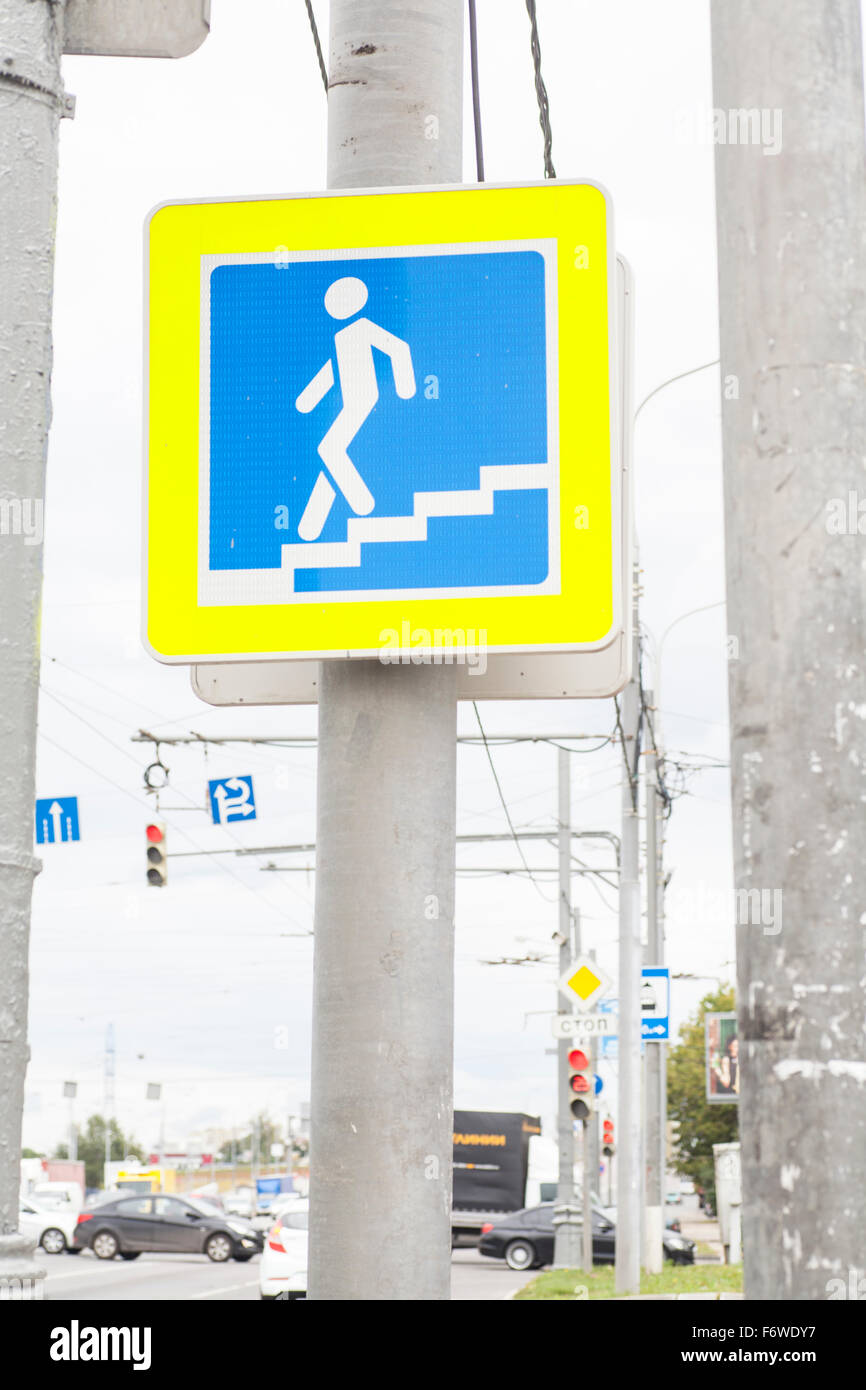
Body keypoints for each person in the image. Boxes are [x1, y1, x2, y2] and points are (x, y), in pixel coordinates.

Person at [295, 275, 416, 541]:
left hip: (363, 398)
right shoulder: (340, 337)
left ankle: (362, 502)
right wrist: (308, 399)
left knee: (329, 448)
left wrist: (405, 385)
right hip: (348, 401)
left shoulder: (363, 327)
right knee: (332, 452)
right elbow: (331, 370)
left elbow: (397, 348)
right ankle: (311, 524)